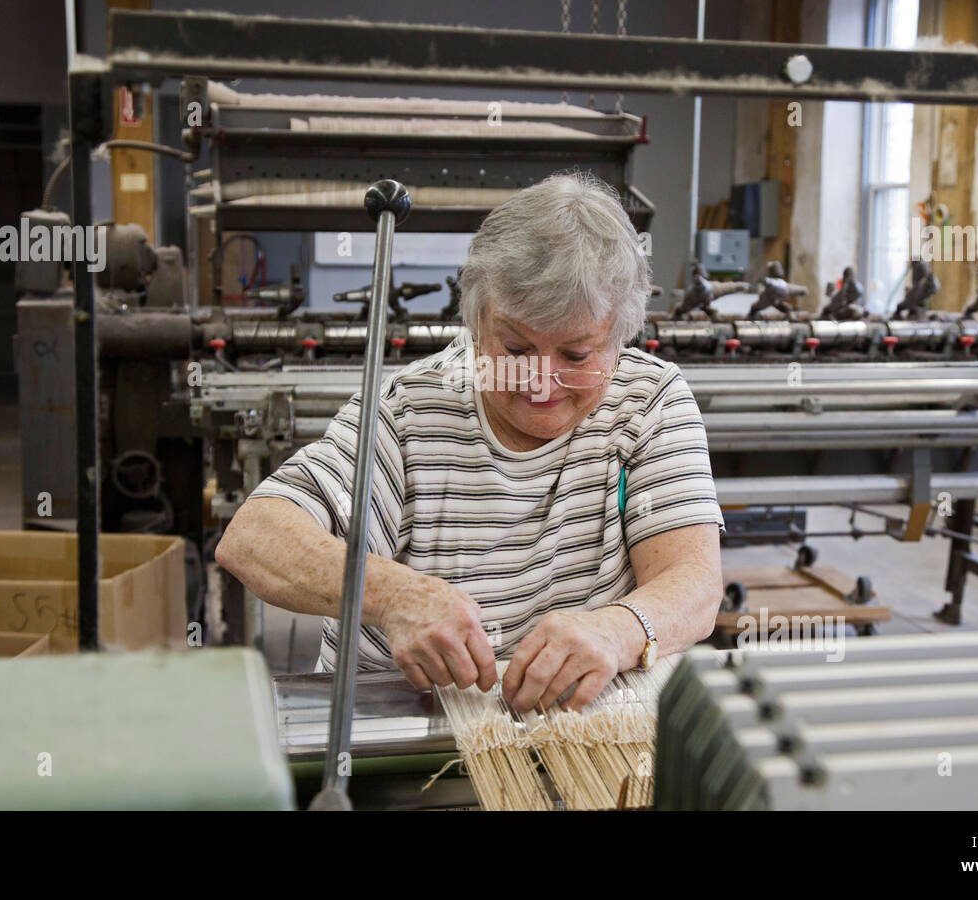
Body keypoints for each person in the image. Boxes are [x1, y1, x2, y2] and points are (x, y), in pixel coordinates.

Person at [216, 171, 724, 713]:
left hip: (581, 729)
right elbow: (253, 537)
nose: (541, 383)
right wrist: (392, 595)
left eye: (577, 356)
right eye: (516, 347)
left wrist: (617, 631)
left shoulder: (649, 400)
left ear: (621, 336)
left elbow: (692, 583)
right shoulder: (410, 409)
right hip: (402, 733)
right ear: (477, 322)